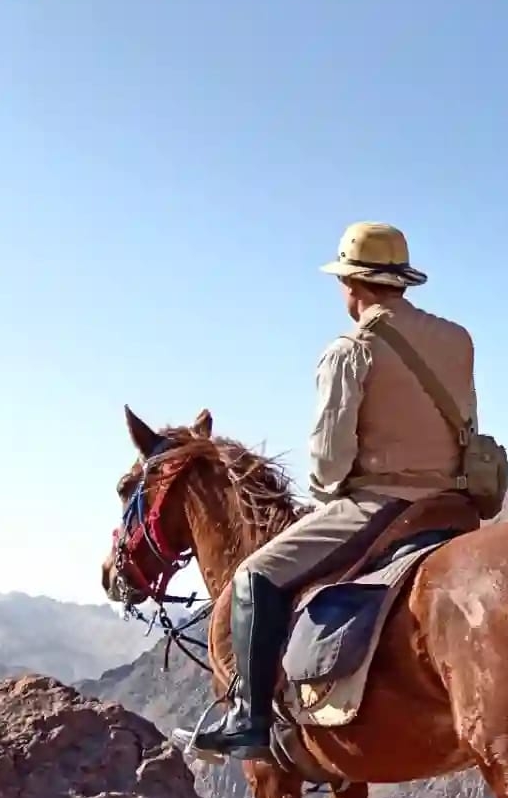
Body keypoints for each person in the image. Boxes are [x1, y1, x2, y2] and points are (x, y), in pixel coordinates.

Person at [189, 221, 480, 759]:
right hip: (452, 505)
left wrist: (329, 493)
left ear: (354, 284)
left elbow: (328, 461)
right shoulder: (457, 339)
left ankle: (250, 719)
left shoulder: (350, 349)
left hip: (379, 504)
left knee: (255, 575)